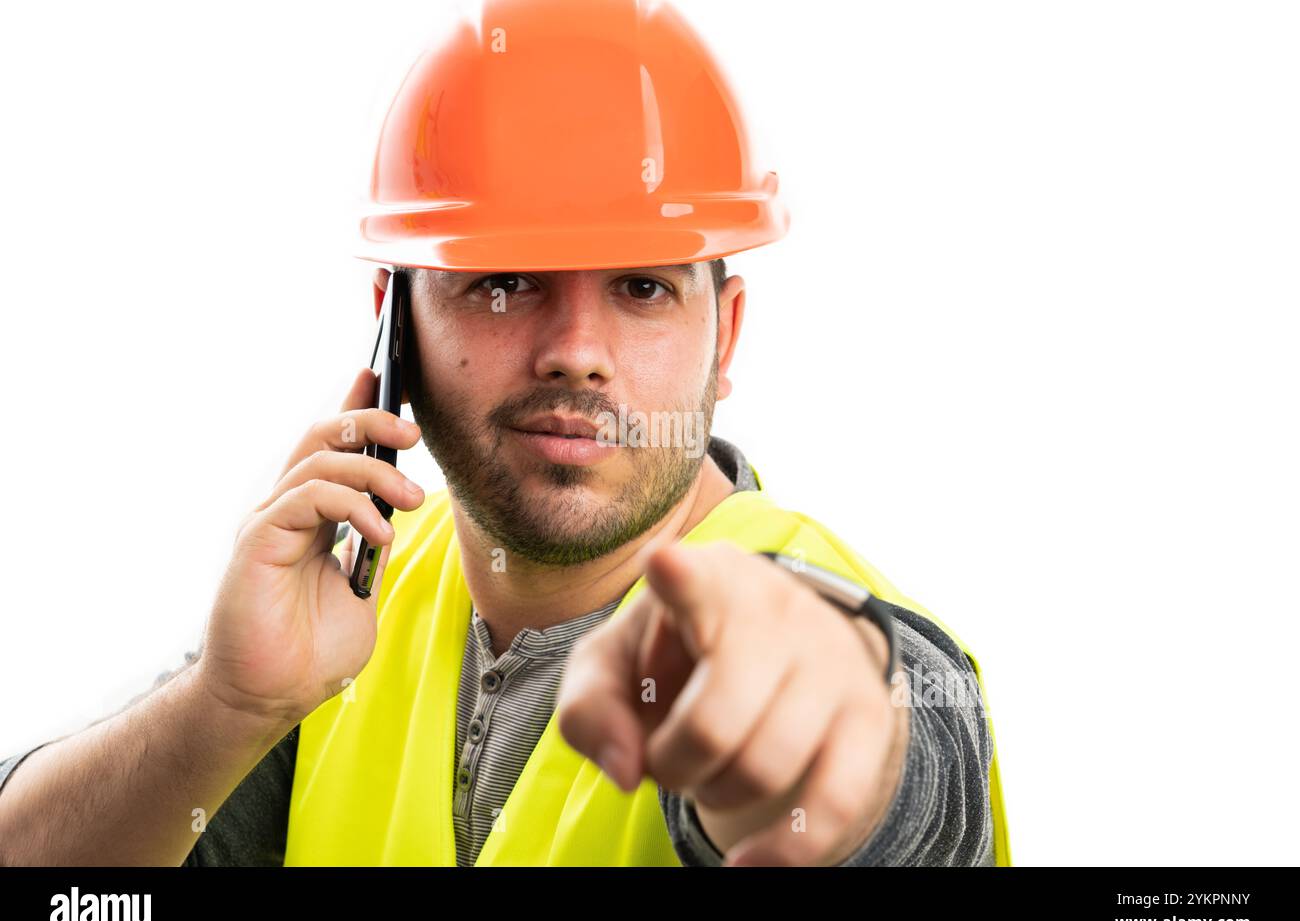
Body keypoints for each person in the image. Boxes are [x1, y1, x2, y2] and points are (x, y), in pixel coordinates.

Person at [0, 0, 1009, 867]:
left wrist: (827, 730)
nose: (575, 350)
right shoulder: (352, 606)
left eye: (642, 287)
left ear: (725, 333)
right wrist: (225, 711)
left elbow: (895, 786)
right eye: (504, 282)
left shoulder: (842, 634)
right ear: (395, 326)